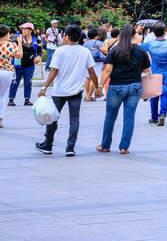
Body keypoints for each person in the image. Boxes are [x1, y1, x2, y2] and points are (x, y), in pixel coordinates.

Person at [34, 24, 95, 156]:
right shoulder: (85, 52)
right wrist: (98, 86)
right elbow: (91, 71)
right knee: (74, 119)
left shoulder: (60, 51)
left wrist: (44, 87)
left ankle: (48, 144)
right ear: (79, 37)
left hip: (59, 91)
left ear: (66, 36)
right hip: (76, 91)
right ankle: (70, 148)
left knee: (52, 117)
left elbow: (54, 71)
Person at [97, 24, 152, 154]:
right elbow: (147, 70)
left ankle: (105, 145)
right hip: (134, 87)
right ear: (134, 35)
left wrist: (100, 86)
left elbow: (108, 70)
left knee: (110, 116)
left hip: (116, 87)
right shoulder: (141, 50)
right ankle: (124, 147)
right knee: (129, 117)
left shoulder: (115, 50)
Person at [8, 21, 40, 106]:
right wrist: (19, 42)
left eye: (25, 29)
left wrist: (38, 57)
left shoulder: (36, 40)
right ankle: (11, 99)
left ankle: (27, 99)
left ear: (30, 30)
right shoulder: (17, 39)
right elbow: (14, 51)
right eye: (22, 29)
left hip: (30, 65)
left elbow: (39, 52)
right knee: (15, 81)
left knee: (28, 82)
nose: (22, 31)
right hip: (18, 64)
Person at [0, 25, 14, 126]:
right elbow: (19, 56)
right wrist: (20, 44)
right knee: (2, 96)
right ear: (7, 34)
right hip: (7, 72)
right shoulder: (11, 45)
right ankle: (0, 119)